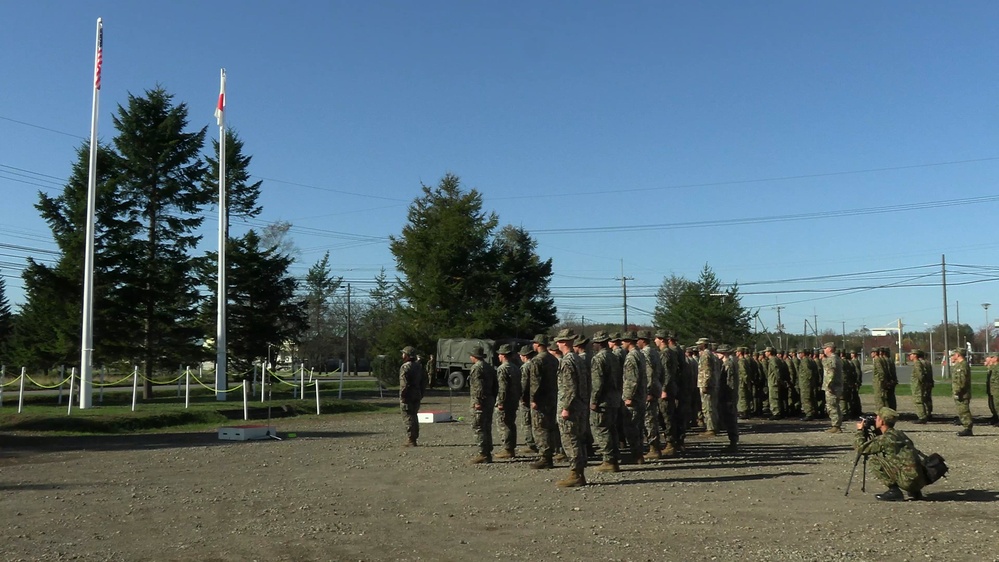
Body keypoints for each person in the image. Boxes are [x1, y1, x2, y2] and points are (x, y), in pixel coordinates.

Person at [854, 407, 928, 501]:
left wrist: (860, 431)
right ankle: (915, 492)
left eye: (877, 418)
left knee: (874, 461)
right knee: (899, 460)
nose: (875, 420)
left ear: (882, 422)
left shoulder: (885, 439)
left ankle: (894, 491)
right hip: (919, 481)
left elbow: (861, 448)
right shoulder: (899, 434)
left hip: (907, 481)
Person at [554, 329, 587, 487]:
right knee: (577, 439)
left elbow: (569, 387)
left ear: (565, 342)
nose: (557, 344)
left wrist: (566, 407)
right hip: (580, 405)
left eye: (559, 341)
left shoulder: (567, 361)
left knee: (570, 439)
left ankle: (576, 474)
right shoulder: (578, 359)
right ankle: (579, 472)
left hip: (571, 407)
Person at [589, 331, 622, 472]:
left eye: (595, 343)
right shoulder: (613, 356)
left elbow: (597, 383)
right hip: (614, 398)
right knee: (612, 429)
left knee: (601, 429)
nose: (593, 345)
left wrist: (594, 401)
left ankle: (608, 460)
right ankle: (614, 457)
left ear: (599, 343)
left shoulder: (598, 358)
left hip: (603, 400)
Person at [468, 345, 498, 463]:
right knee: (487, 426)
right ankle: (487, 451)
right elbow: (495, 385)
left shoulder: (477, 368)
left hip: (481, 401)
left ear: (474, 356)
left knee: (478, 426)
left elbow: (478, 386)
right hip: (489, 399)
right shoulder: (489, 367)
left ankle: (483, 453)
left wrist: (477, 401)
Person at [494, 344, 521, 459]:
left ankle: (507, 449)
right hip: (513, 400)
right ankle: (511, 447)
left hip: (506, 401)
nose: (498, 356)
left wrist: (500, 402)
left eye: (499, 354)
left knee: (504, 424)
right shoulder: (515, 368)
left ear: (503, 355)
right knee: (511, 424)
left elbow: (502, 388)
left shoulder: (503, 369)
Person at [399, 346, 426, 447]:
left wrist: (403, 395)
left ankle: (411, 439)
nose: (402, 355)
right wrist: (421, 393)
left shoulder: (405, 367)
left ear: (407, 355)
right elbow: (424, 381)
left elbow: (404, 383)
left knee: (408, 416)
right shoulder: (418, 366)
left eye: (403, 353)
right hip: (417, 393)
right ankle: (414, 437)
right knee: (414, 415)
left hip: (408, 394)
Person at [821, 342, 844, 433]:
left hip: (832, 386)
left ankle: (836, 426)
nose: (824, 350)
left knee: (831, 406)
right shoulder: (836, 358)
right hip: (837, 386)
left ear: (830, 349)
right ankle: (837, 425)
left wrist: (829, 385)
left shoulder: (831, 359)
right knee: (836, 406)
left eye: (825, 348)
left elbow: (831, 373)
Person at [950, 348, 973, 436]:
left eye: (953, 354)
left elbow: (962, 380)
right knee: (961, 410)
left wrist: (958, 390)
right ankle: (965, 425)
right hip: (959, 392)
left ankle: (968, 428)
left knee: (964, 410)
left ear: (958, 354)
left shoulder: (963, 365)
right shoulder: (959, 365)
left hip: (962, 393)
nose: (952, 356)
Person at [909, 349, 932, 424]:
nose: (910, 356)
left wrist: (922, 382)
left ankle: (922, 417)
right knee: (923, 399)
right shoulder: (919, 363)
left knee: (918, 400)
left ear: (915, 355)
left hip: (918, 385)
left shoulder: (917, 363)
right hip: (920, 384)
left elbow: (920, 375)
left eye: (912, 354)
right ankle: (926, 414)